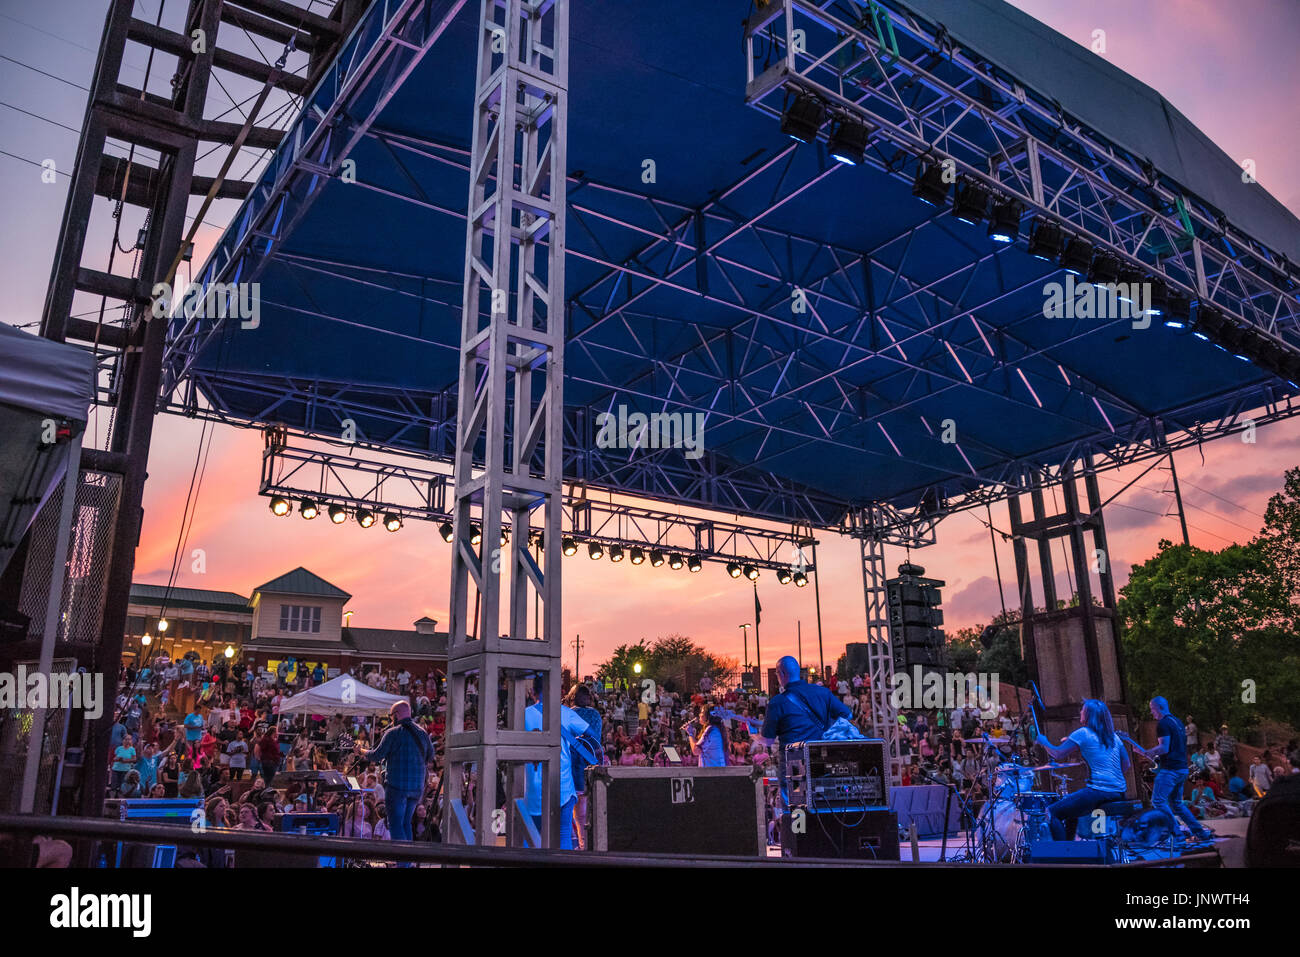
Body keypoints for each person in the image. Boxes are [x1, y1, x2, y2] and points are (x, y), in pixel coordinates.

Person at [754, 656, 852, 802]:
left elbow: (768, 741)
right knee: (824, 802)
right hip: (822, 758)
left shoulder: (777, 702)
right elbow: (847, 714)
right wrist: (827, 730)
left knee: (794, 807)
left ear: (781, 674)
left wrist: (756, 737)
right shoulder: (823, 692)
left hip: (792, 763)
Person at [1035, 699, 1130, 841]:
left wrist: (1044, 742)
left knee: (1051, 812)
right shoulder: (1114, 737)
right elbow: (1126, 764)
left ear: (1088, 715)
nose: (1080, 712)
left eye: (1083, 710)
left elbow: (1058, 754)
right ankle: (1071, 849)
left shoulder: (1083, 733)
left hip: (1098, 792)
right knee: (1071, 812)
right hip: (1119, 792)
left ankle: (1064, 857)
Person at [1127, 697, 1213, 843]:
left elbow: (1164, 748)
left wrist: (1148, 751)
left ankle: (1177, 835)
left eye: (1152, 709)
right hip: (1181, 769)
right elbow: (1172, 748)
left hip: (1170, 770)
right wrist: (1145, 752)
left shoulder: (1163, 724)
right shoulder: (1178, 722)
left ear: (1159, 707)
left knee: (1158, 802)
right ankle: (1201, 834)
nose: (1151, 712)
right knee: (1177, 804)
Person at [524, 674, 590, 849]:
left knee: (531, 839)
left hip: (532, 788)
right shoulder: (566, 713)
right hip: (562, 786)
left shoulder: (522, 715)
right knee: (563, 836)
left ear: (532, 692)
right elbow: (590, 732)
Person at [356, 699, 432, 849]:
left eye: (391, 716)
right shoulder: (422, 733)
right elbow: (430, 756)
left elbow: (377, 755)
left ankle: (402, 863)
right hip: (416, 788)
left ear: (396, 715)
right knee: (406, 824)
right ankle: (407, 862)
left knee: (396, 824)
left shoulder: (393, 733)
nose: (391, 719)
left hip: (397, 786)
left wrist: (361, 751)